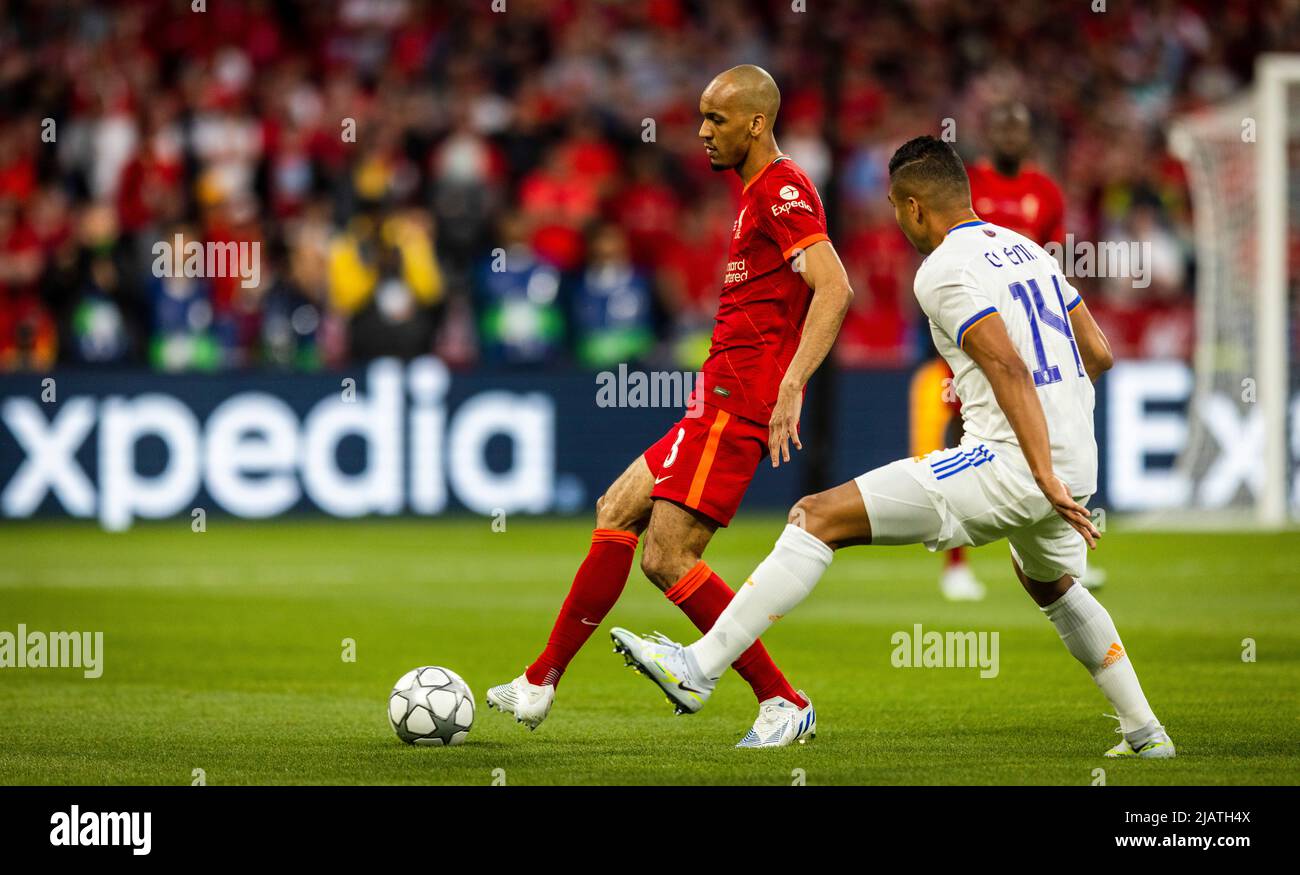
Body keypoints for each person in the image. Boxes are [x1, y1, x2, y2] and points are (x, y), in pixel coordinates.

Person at [612, 136, 1173, 759]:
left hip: (1018, 465)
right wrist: (1060, 441)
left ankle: (699, 667)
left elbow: (1009, 368)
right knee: (1053, 585)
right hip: (1075, 460)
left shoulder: (941, 270)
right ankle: (1146, 733)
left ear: (913, 208)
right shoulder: (1030, 251)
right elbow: (1098, 354)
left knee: (814, 517)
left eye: (892, 207)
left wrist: (1037, 470)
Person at [485, 64, 855, 749]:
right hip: (711, 397)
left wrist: (792, 384)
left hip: (737, 403)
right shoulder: (754, 194)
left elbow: (834, 287)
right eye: (701, 117)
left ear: (756, 122)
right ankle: (540, 679)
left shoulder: (782, 189)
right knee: (616, 508)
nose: (702, 132)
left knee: (667, 557)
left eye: (717, 119)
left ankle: (782, 697)